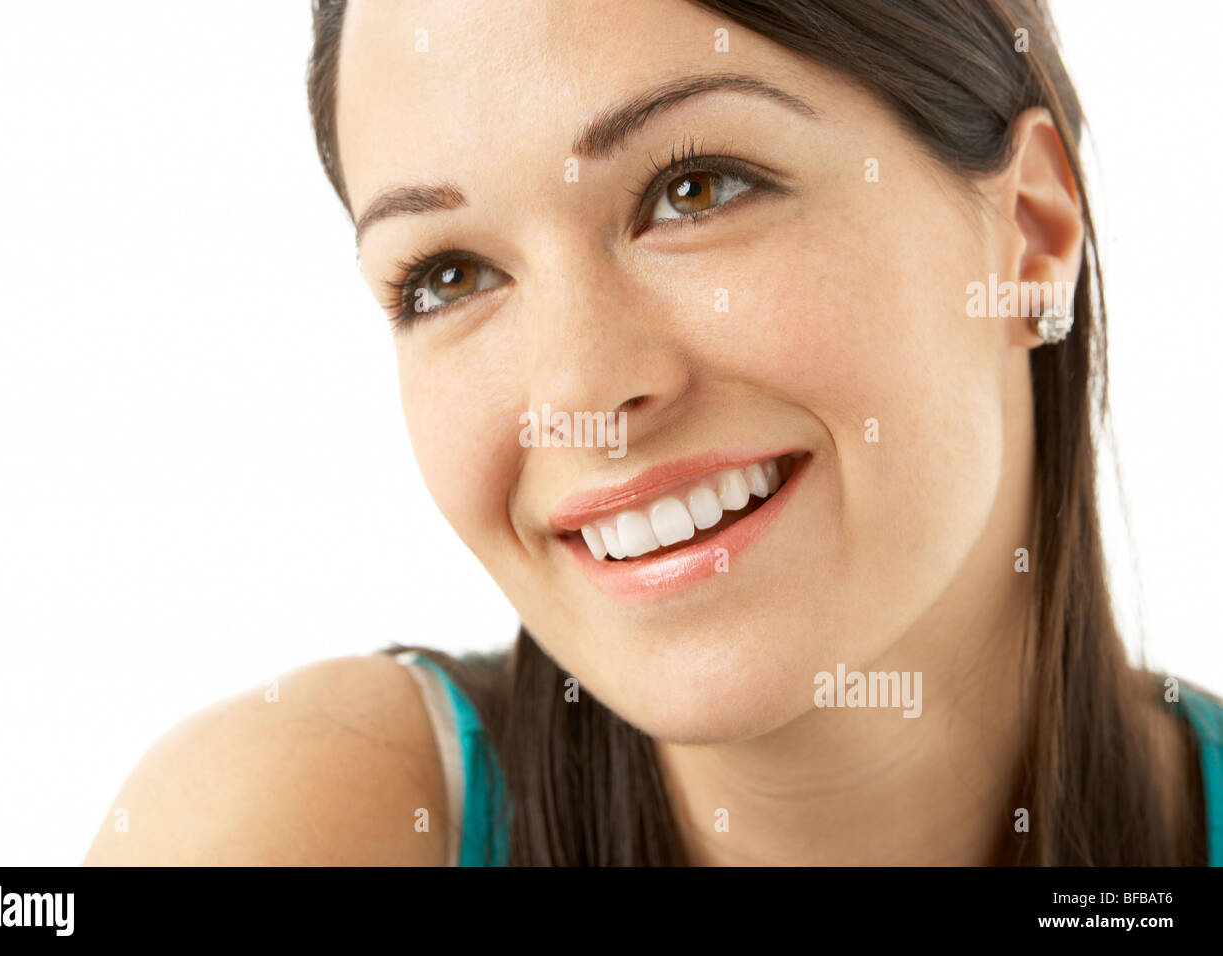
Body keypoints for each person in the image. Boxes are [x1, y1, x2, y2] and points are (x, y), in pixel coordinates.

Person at [84, 0, 1223, 866]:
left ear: (1027, 236)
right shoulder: (287, 828)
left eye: (696, 189)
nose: (577, 387)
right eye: (450, 274)